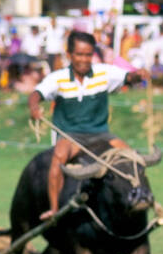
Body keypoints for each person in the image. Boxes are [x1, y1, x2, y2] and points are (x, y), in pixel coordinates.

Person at [27, 31, 133, 219]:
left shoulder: (104, 72)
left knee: (132, 157)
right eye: (79, 54)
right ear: (69, 55)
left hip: (101, 134)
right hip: (71, 136)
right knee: (58, 157)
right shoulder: (57, 78)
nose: (84, 59)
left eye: (88, 55)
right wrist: (34, 107)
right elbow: (37, 94)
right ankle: (54, 208)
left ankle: (139, 199)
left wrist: (139, 75)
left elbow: (128, 77)